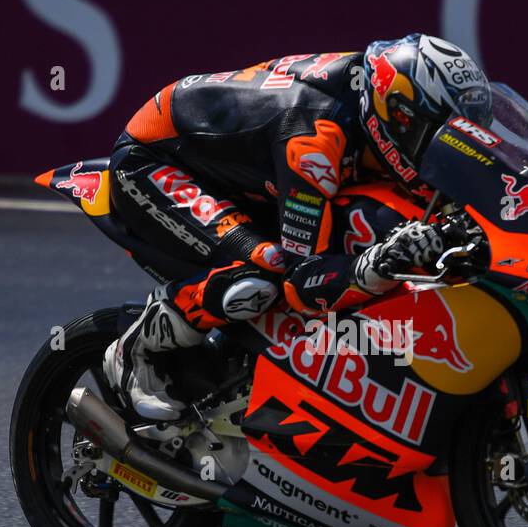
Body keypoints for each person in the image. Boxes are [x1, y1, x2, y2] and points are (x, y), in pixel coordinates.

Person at [102, 33, 492, 421]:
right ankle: (137, 348)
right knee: (266, 269)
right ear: (398, 116)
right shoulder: (314, 141)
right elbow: (302, 282)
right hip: (156, 162)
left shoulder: (377, 91)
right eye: (435, 135)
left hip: (245, 173)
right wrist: (381, 262)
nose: (441, 149)